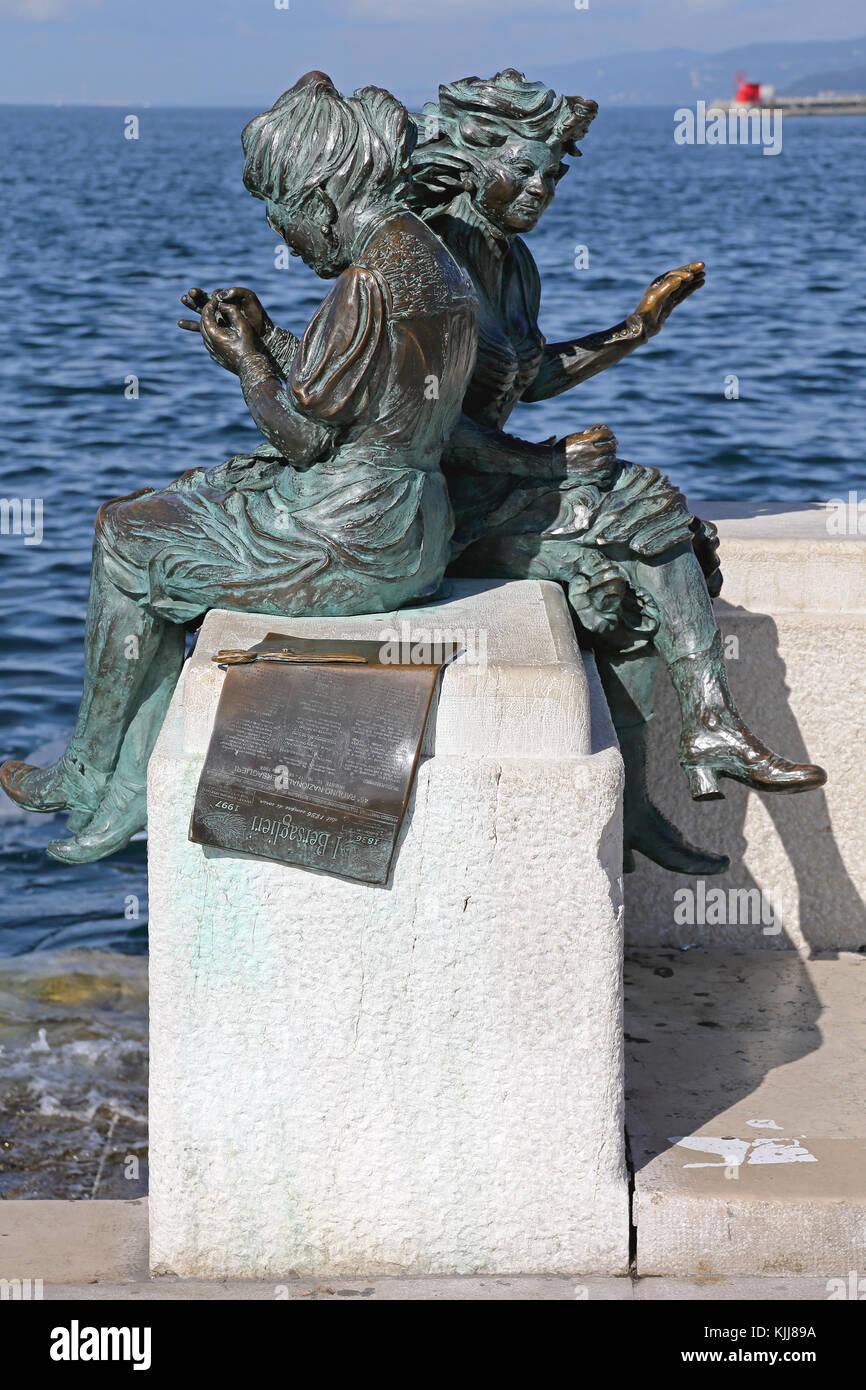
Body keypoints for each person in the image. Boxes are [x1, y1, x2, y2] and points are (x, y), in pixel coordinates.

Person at [0, 72, 479, 862]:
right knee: (183, 502)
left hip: (348, 534)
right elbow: (357, 394)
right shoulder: (429, 261)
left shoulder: (365, 281)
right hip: (414, 522)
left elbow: (305, 439)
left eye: (280, 214)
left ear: (320, 197)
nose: (283, 238)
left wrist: (248, 366)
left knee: (126, 536)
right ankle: (116, 784)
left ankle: (95, 779)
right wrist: (275, 336)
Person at [409, 68, 825, 873]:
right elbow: (412, 422)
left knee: (627, 583)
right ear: (468, 156)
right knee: (642, 508)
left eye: (554, 174)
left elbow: (526, 375)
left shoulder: (513, 263)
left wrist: (638, 326)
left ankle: (638, 801)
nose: (542, 188)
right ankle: (709, 729)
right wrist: (543, 462)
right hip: (439, 501)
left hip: (503, 485)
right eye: (525, 169)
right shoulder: (426, 265)